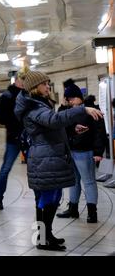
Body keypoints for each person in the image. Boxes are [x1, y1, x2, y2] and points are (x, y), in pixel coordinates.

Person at [14, 70, 103, 251]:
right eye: (44, 84)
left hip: (47, 156)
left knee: (50, 199)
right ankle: (42, 238)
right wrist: (83, 109)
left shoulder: (38, 104)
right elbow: (54, 120)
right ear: (34, 88)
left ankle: (45, 236)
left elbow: (49, 128)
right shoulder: (33, 107)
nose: (48, 86)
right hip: (44, 159)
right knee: (47, 199)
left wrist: (71, 130)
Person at [56, 80, 106, 223]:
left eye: (72, 98)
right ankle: (73, 209)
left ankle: (92, 212)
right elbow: (60, 124)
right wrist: (62, 105)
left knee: (89, 181)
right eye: (68, 99)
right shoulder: (67, 111)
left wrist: (98, 152)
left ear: (78, 96)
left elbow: (99, 132)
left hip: (86, 152)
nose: (70, 101)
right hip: (72, 151)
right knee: (74, 181)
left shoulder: (91, 109)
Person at [0, 69, 26, 210]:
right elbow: (0, 118)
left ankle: (42, 198)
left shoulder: (29, 94)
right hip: (13, 137)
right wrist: (15, 119)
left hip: (29, 137)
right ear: (18, 80)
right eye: (24, 80)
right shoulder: (7, 96)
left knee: (37, 169)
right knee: (6, 168)